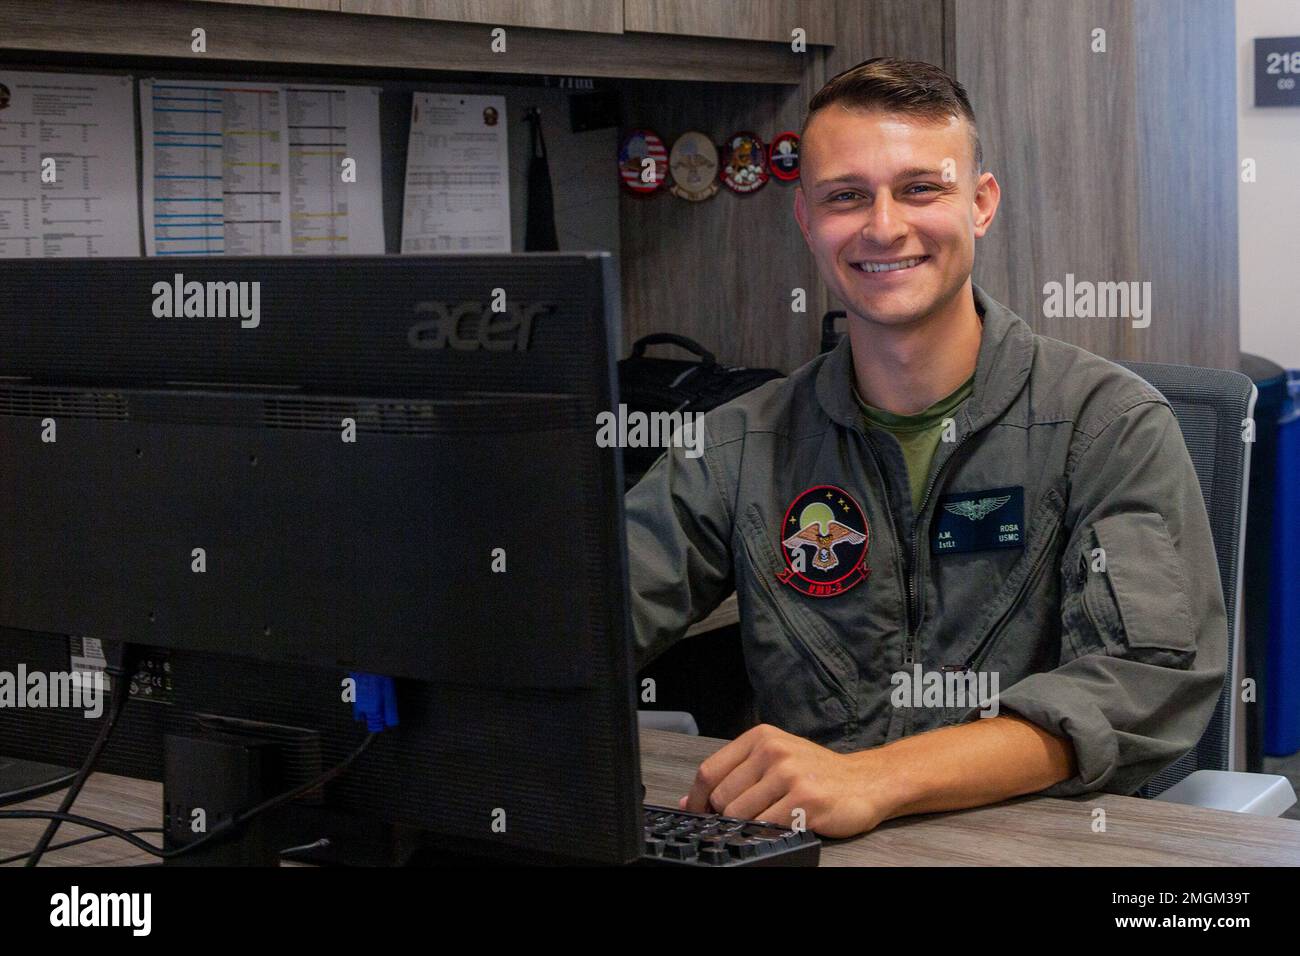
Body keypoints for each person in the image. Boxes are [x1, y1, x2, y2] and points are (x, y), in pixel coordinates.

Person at [623, 57, 1226, 838]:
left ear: (980, 204)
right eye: (846, 197)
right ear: (807, 222)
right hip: (811, 848)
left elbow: (1142, 685)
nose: (883, 226)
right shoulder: (744, 442)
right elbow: (585, 616)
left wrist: (877, 779)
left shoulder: (1106, 424)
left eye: (920, 188)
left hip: (1037, 847)